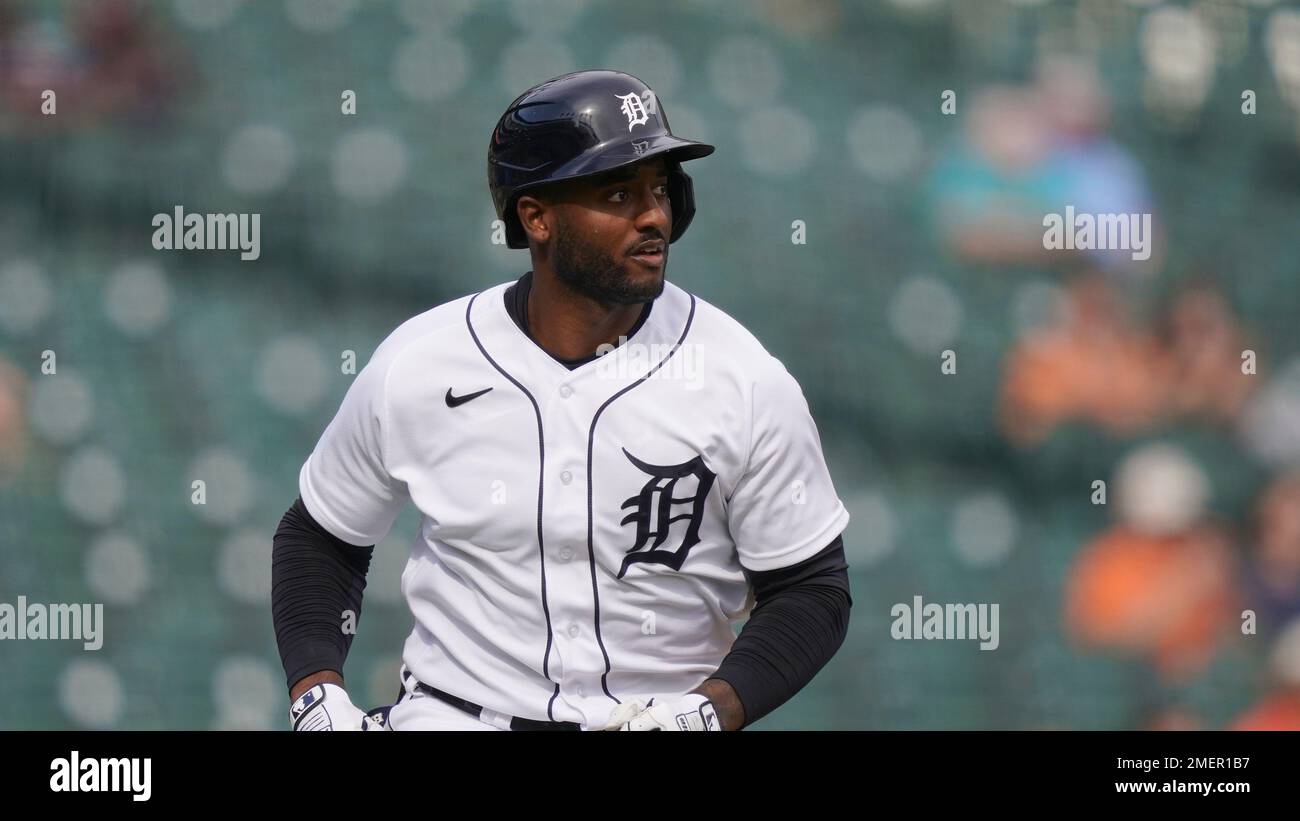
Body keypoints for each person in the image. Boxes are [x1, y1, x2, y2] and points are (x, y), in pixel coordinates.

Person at [272, 70, 852, 731]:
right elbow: (321, 534)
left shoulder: (742, 378)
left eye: (660, 189)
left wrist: (710, 711)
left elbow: (812, 589)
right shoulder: (421, 361)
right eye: (618, 192)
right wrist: (316, 691)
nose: (653, 215)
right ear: (537, 216)